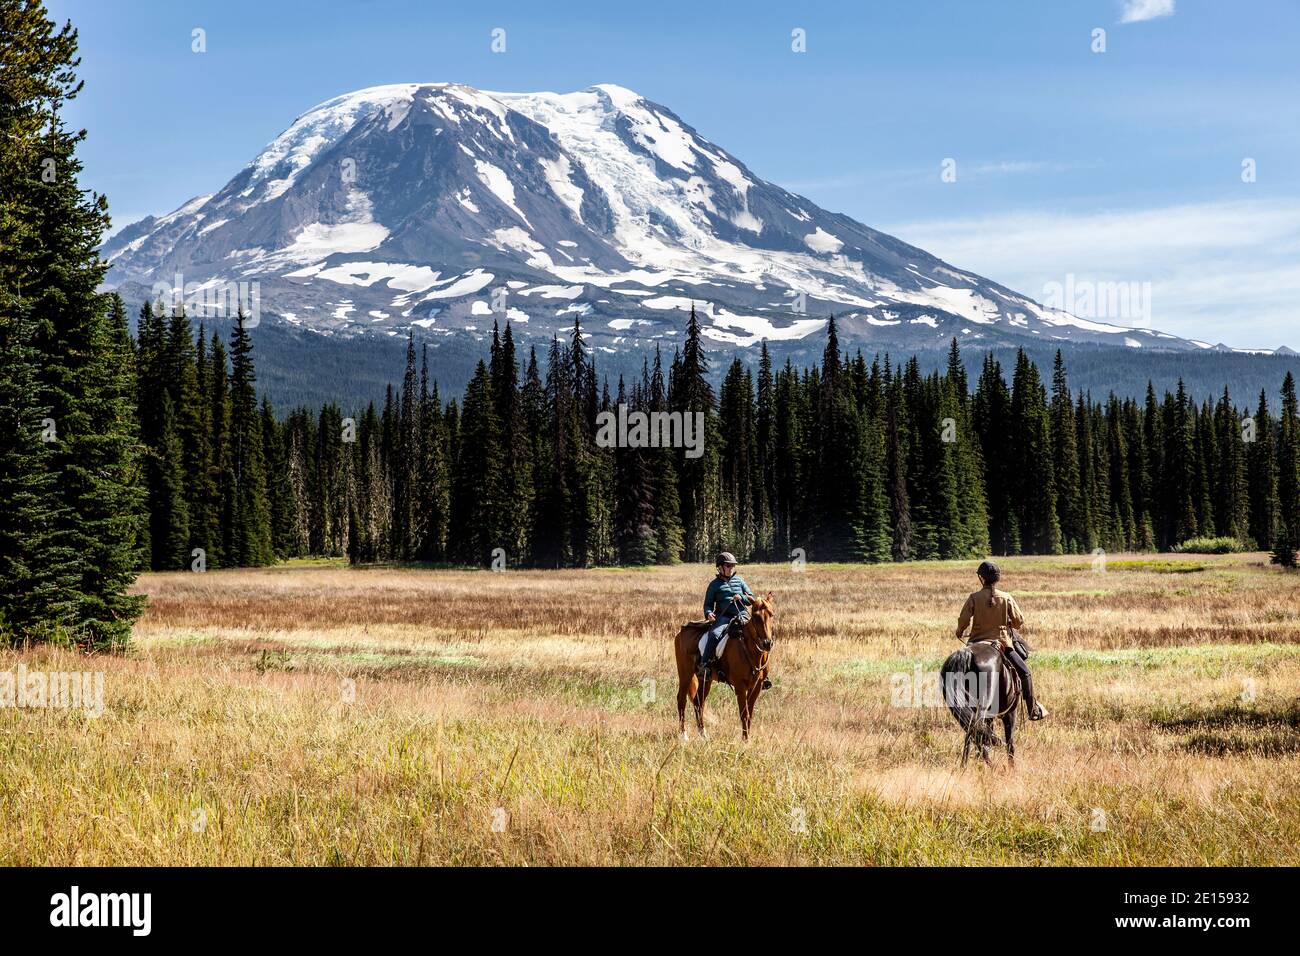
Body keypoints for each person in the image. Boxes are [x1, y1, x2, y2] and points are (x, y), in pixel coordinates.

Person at [956, 560, 1048, 720]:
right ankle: (1032, 708)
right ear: (997, 579)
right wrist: (1009, 623)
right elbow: (1019, 622)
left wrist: (959, 631)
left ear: (981, 579)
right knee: (1025, 673)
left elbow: (964, 620)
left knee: (957, 672)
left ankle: (960, 705)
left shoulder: (974, 598)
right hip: (1003, 644)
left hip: (976, 643)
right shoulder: (1006, 598)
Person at [697, 552, 754, 683]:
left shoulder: (740, 581)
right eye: (728, 566)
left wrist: (742, 597)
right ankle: (704, 665)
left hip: (742, 614)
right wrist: (709, 613)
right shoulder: (714, 585)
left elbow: (752, 599)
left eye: (732, 566)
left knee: (758, 634)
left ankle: (763, 672)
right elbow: (708, 605)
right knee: (714, 635)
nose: (731, 568)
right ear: (720, 567)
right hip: (724, 617)